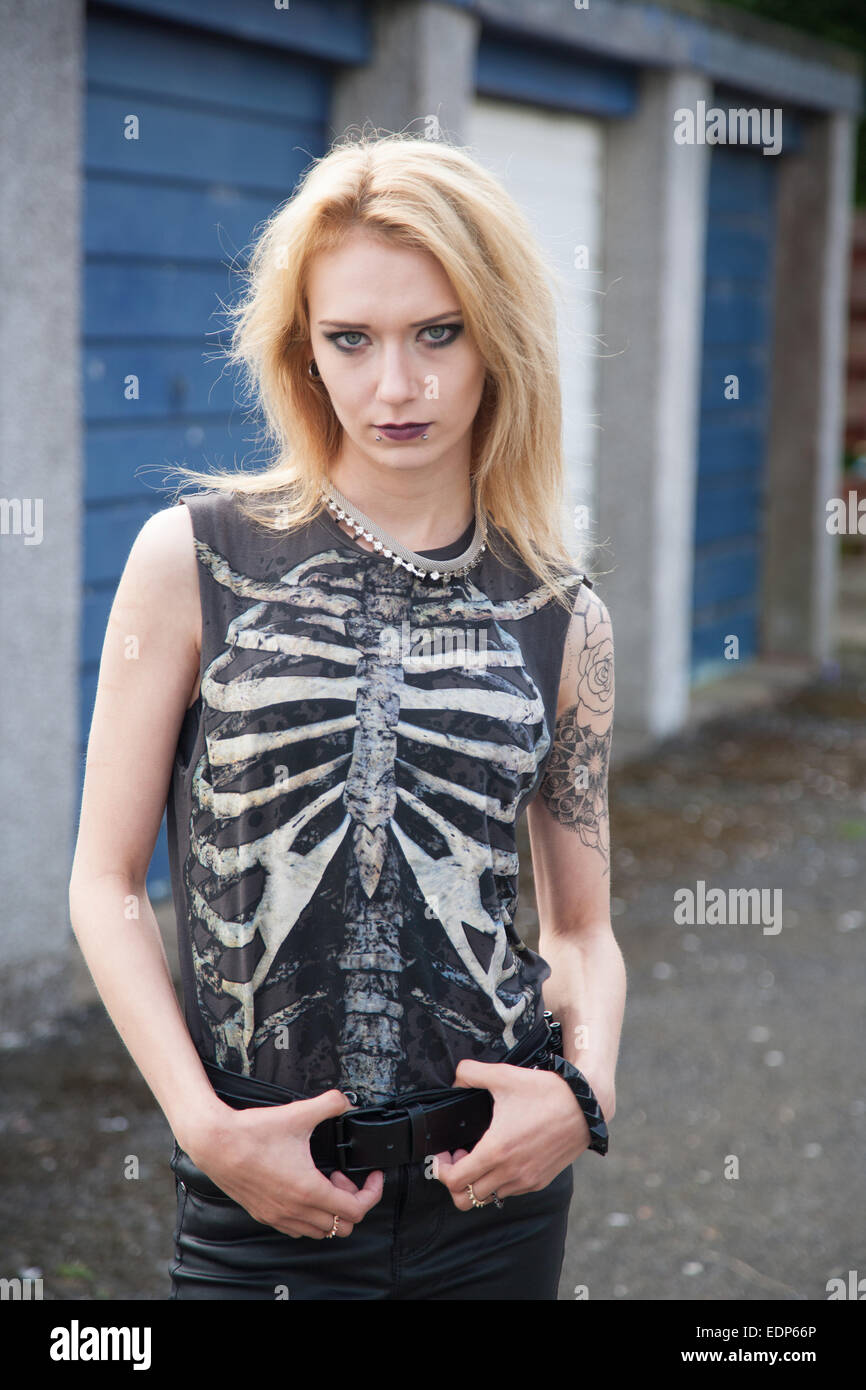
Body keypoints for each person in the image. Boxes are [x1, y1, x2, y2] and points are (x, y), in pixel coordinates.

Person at [68, 130, 626, 1301]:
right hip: (259, 1197)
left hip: (495, 1196)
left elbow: (577, 933)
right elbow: (107, 880)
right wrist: (205, 1127)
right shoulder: (192, 561)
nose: (396, 386)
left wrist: (582, 1100)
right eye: (350, 339)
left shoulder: (561, 613)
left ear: (498, 339)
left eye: (438, 332)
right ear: (300, 351)